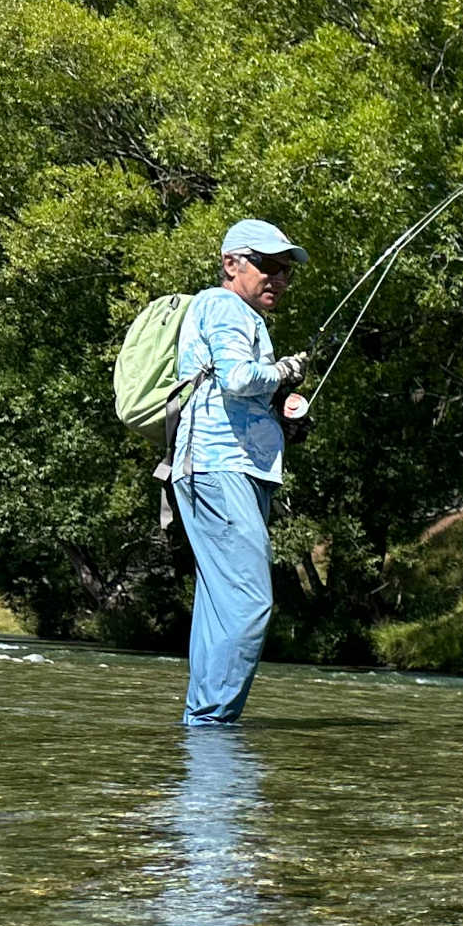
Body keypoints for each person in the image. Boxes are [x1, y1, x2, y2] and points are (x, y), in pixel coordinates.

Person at [173, 219, 309, 726]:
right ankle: (212, 726)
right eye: (268, 266)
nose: (279, 278)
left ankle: (202, 730)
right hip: (219, 466)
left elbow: (237, 386)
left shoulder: (235, 314)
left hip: (227, 467)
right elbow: (236, 378)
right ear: (232, 264)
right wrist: (285, 372)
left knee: (219, 606)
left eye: (286, 271)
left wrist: (282, 410)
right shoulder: (224, 304)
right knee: (250, 602)